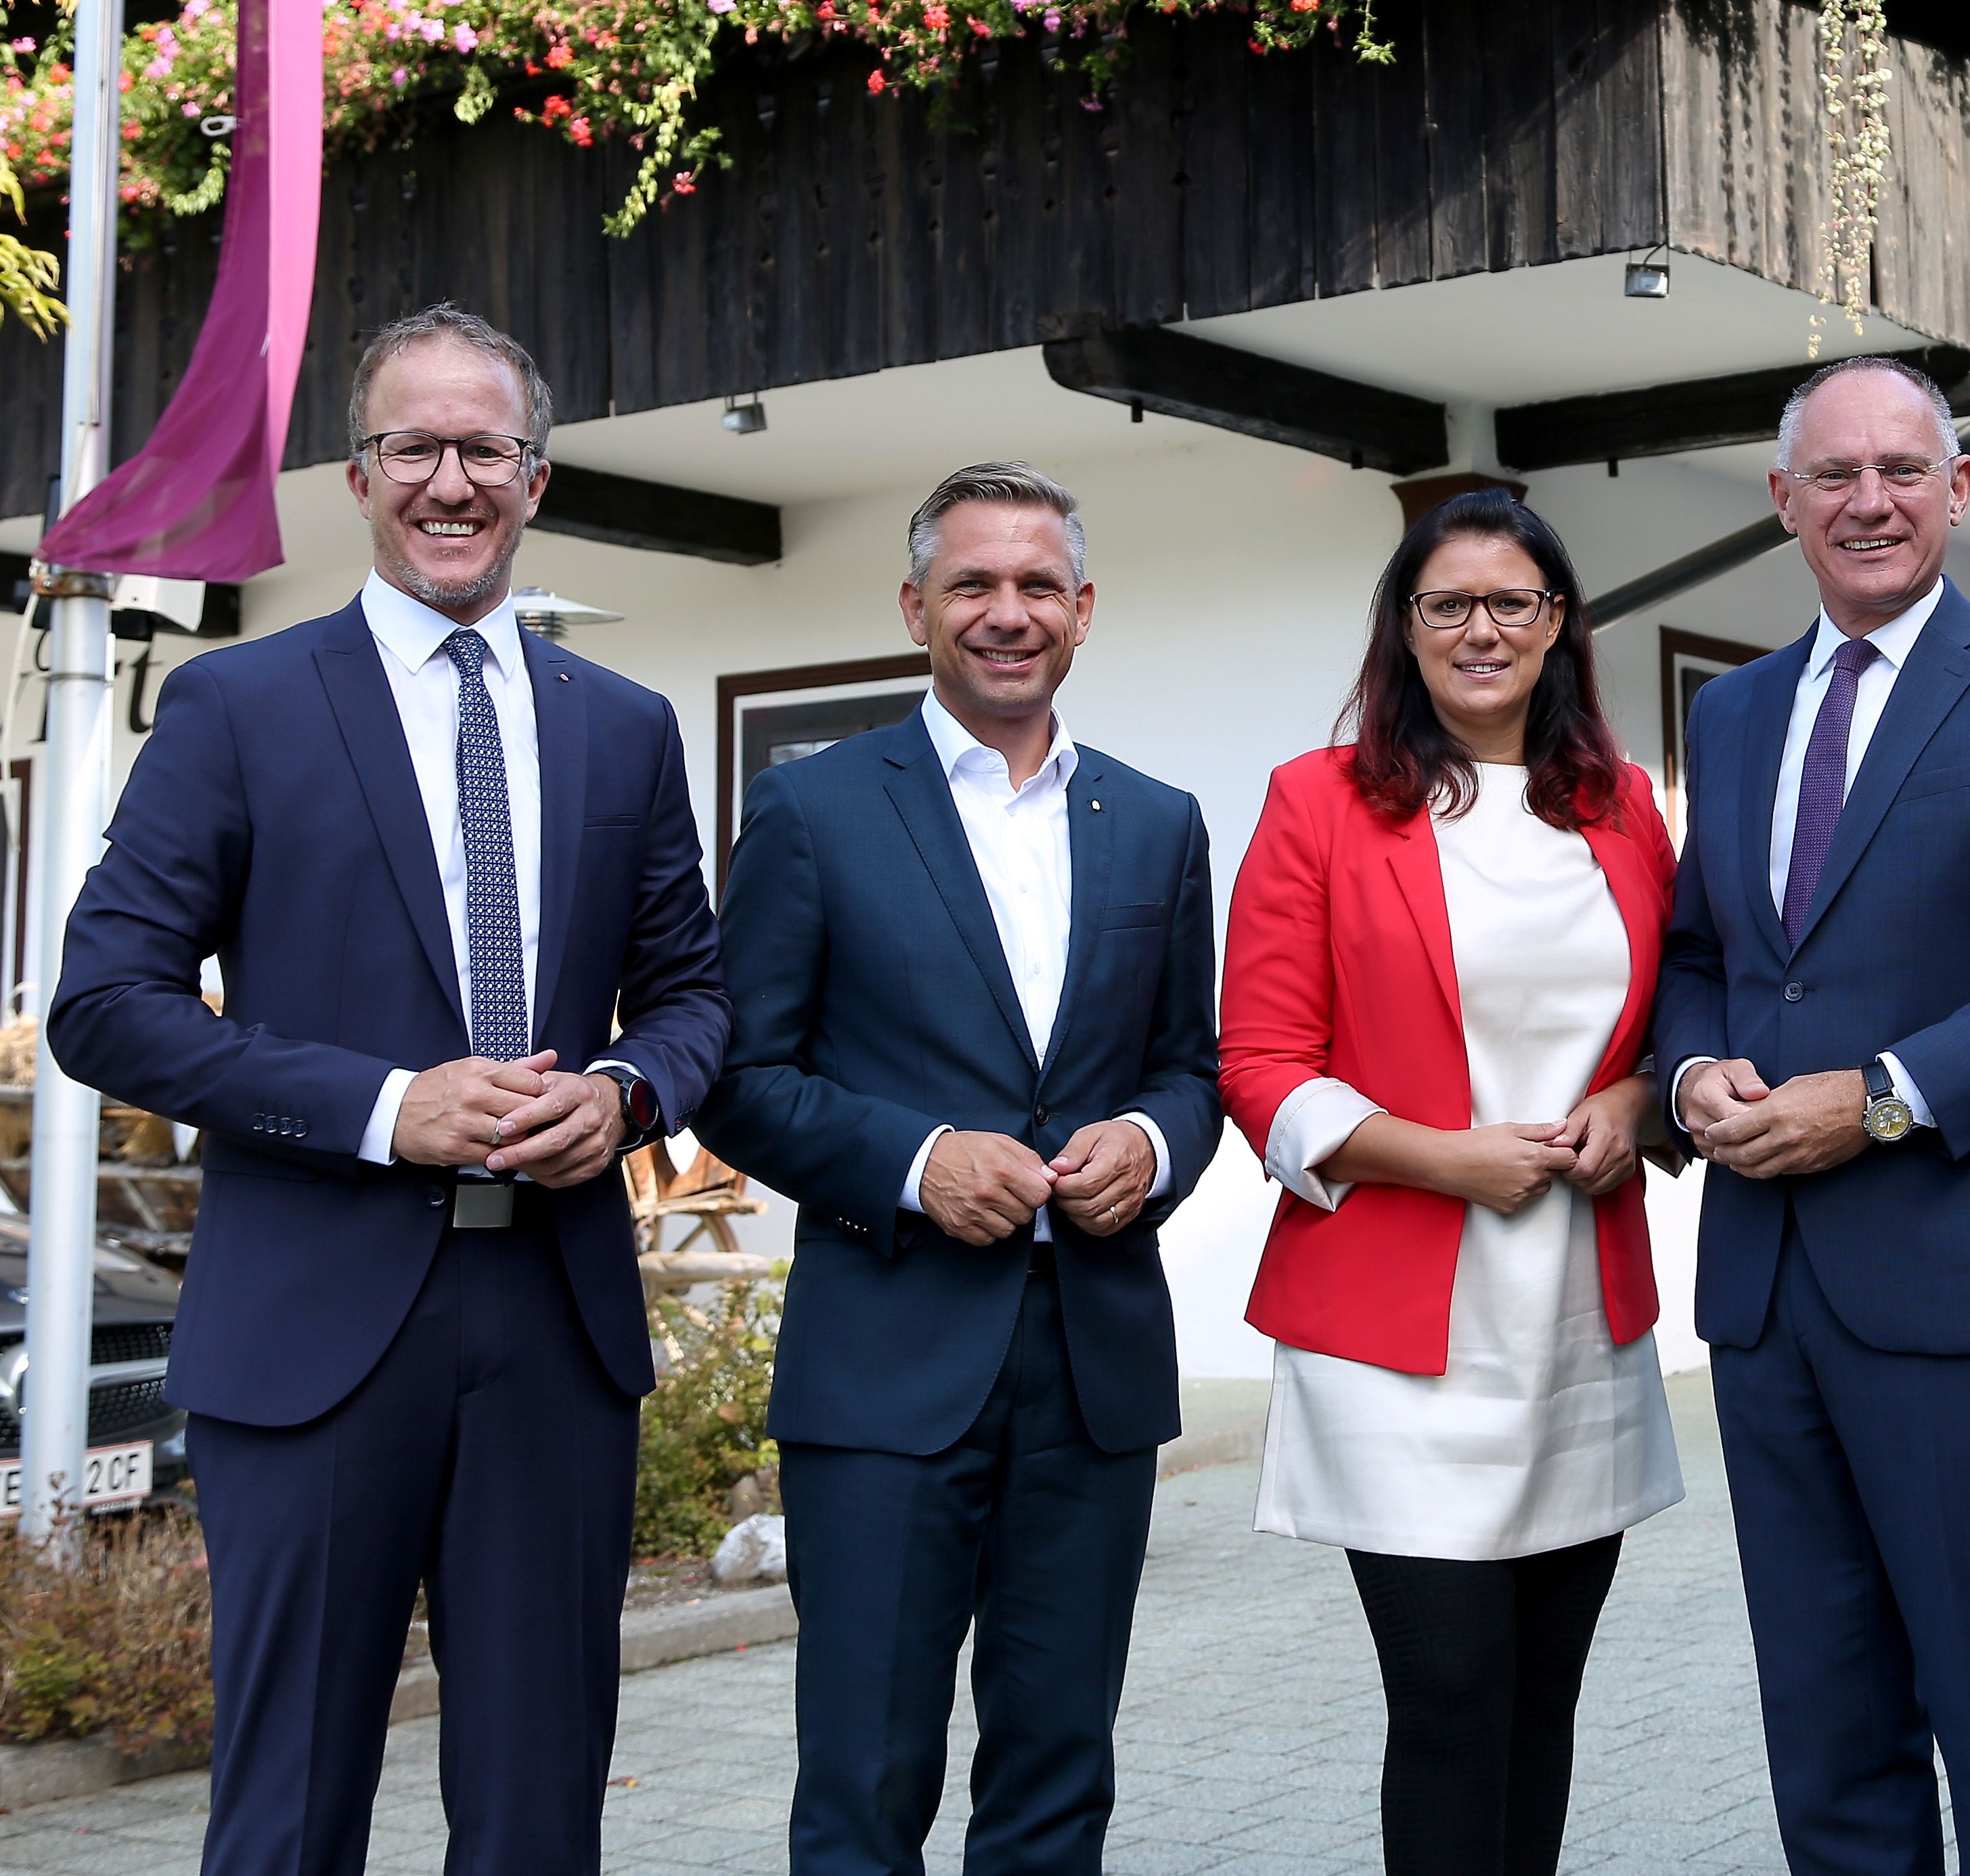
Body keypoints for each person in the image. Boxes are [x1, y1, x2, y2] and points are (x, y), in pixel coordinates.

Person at [50, 304, 727, 1876]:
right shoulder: (242, 705)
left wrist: (626, 1094)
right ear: (356, 477)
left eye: (483, 447)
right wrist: (381, 1107)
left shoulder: (620, 729)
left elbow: (697, 997)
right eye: (413, 446)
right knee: (287, 1812)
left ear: (536, 477)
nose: (449, 480)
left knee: (539, 1812)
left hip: (555, 1335)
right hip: (314, 1329)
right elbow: (105, 1002)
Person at [1656, 356, 1970, 1876]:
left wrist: (1881, 1099)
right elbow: (1702, 956)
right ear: (1782, 502)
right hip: (1765, 1297)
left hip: (1962, 1289)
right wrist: (1689, 1076)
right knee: (1824, 1731)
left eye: (1898, 470)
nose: (1865, 500)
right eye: (1832, 475)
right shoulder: (1738, 713)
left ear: (1956, 490)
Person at [690, 461, 1222, 1876]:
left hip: (1091, 1363)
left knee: (1058, 1776)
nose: (1007, 612)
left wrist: (1154, 1142)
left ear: (1084, 608)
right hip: (884, 1363)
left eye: (1036, 583)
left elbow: (1190, 1067)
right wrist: (914, 1159)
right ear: (916, 605)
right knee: (865, 1778)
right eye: (973, 584)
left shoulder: (1157, 823)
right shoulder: (813, 810)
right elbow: (736, 1079)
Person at [1220, 488, 1683, 1876]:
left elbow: (1680, 1024)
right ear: (1404, 628)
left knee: (1541, 1699)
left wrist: (1632, 1097)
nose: (1481, 628)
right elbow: (1258, 1062)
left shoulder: (1618, 806)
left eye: (1512, 602)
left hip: (1577, 1325)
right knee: (1446, 1698)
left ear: (1558, 626)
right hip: (1396, 1331)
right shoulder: (1318, 801)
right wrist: (1446, 1159)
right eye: (1448, 604)